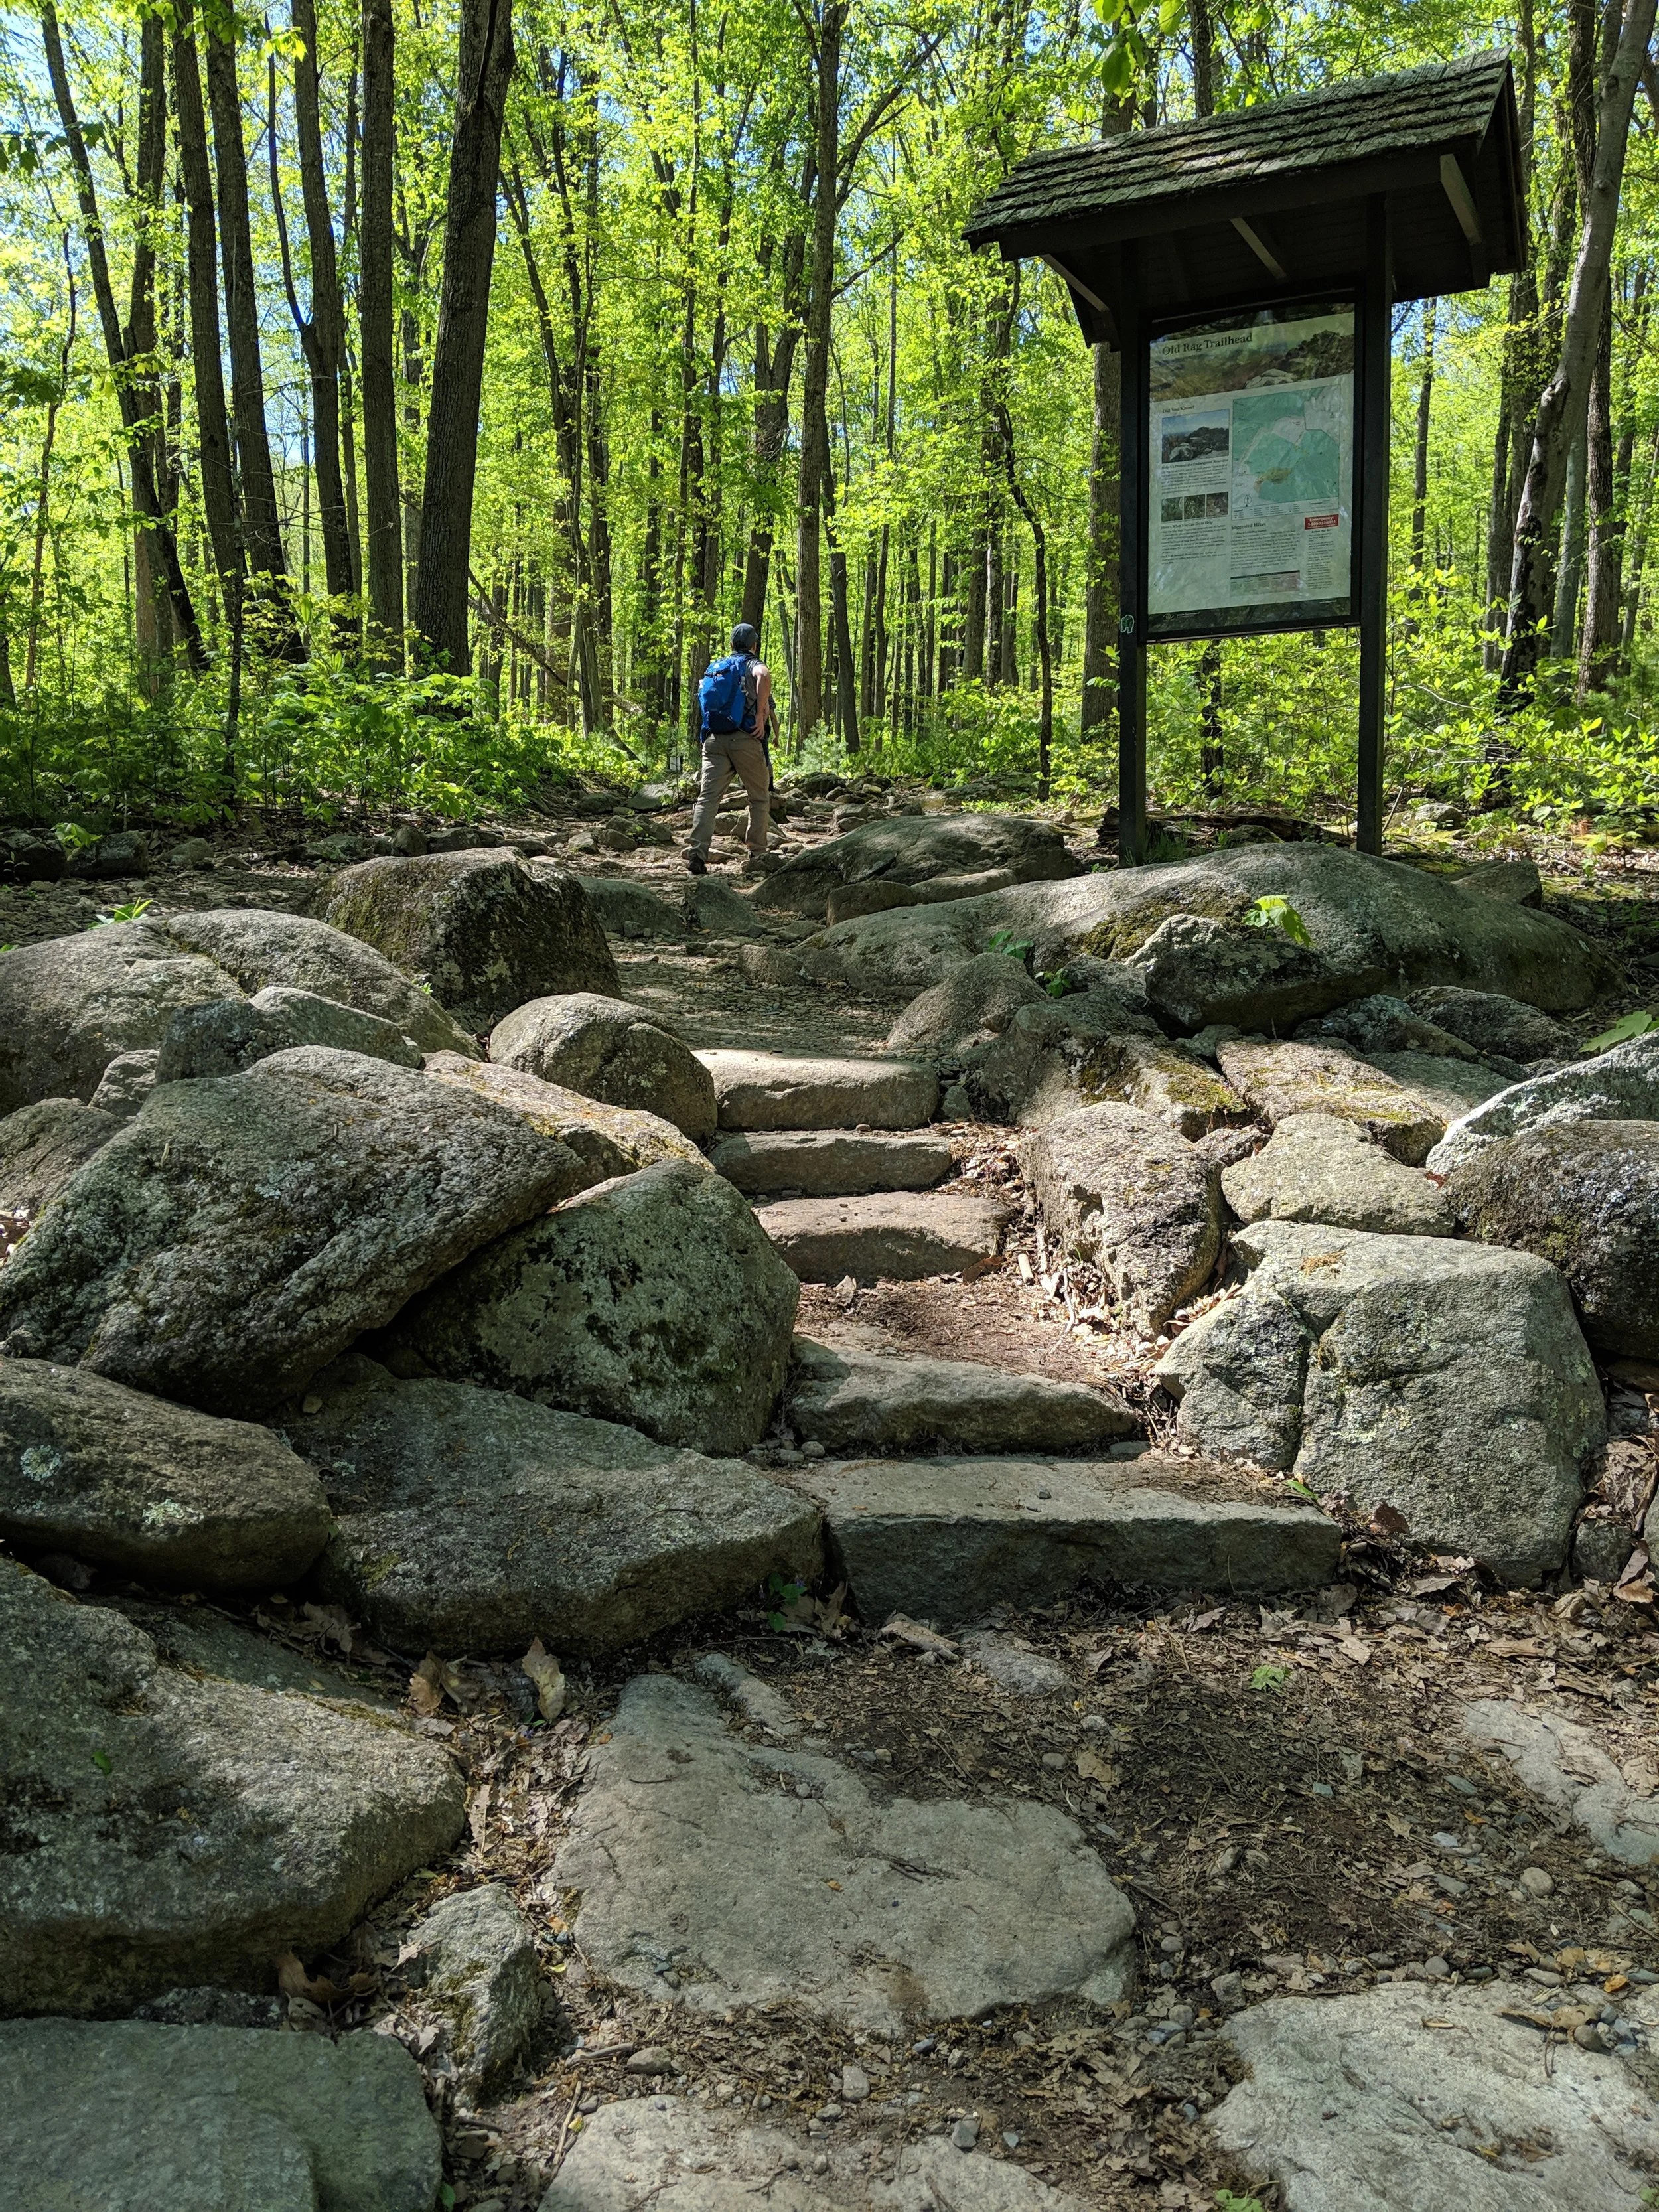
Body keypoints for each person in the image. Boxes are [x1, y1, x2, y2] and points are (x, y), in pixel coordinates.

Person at [686, 622, 775, 875]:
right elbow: (764, 675)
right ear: (754, 645)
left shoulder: (717, 667)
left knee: (708, 799)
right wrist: (760, 715)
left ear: (731, 645)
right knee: (759, 798)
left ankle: (697, 854)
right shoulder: (751, 664)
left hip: (714, 740)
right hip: (744, 739)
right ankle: (757, 854)